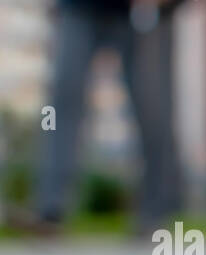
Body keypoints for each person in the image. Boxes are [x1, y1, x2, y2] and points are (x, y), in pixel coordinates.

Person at [31, 0, 183, 236]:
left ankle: (156, 213)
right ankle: (51, 208)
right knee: (59, 99)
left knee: (153, 106)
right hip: (78, 7)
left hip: (145, 11)